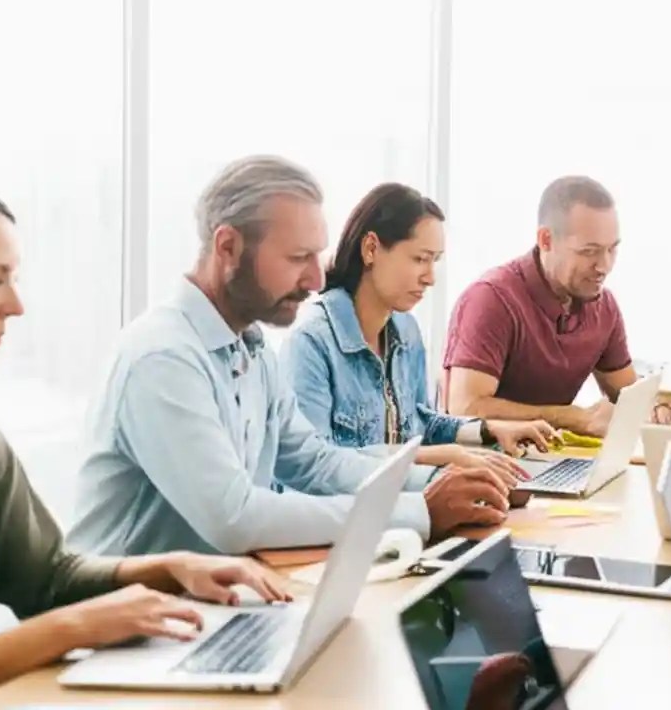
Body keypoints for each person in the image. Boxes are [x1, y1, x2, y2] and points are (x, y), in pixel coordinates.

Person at [68, 156, 509, 557]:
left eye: (317, 256)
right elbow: (234, 519)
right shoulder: (164, 358)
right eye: (299, 258)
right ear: (228, 248)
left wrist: (447, 486)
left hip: (211, 605)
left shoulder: (252, 352)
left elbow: (315, 462)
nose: (317, 279)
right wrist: (418, 509)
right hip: (127, 632)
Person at [0, 183, 290, 701]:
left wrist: (171, 569)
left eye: (14, 280)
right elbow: (61, 610)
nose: (16, 306)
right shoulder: (159, 353)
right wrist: (78, 626)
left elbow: (48, 577)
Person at [281, 183, 557, 486]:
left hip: (402, 508)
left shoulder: (406, 330)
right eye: (419, 259)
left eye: (434, 261)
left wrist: (488, 430)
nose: (430, 278)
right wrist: (441, 457)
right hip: (338, 525)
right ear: (371, 249)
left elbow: (418, 422)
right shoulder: (311, 342)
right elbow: (317, 468)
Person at [442, 176, 636, 438]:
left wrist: (663, 407)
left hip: (552, 461)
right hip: (486, 463)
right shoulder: (491, 299)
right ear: (546, 240)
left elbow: (629, 398)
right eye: (589, 251)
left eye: (612, 249)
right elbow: (464, 408)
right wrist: (569, 418)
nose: (604, 266)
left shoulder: (604, 305)